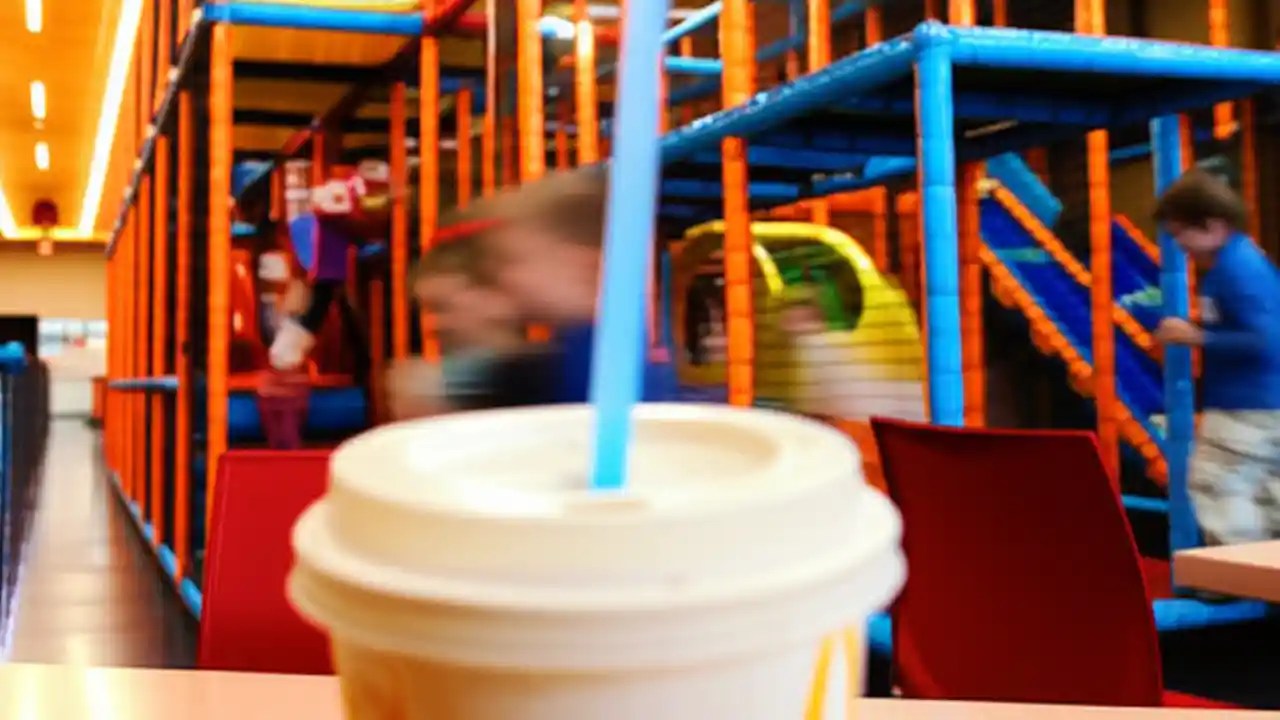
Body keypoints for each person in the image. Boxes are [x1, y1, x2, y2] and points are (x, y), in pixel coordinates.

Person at [1153, 168, 1280, 544]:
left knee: (1216, 484)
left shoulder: (1237, 269)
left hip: (1246, 405)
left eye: (1181, 233)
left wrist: (1196, 336)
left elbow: (1265, 338)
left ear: (1213, 225)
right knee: (1265, 492)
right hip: (1265, 402)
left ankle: (1239, 579)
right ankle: (1267, 581)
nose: (1179, 244)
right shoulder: (1242, 260)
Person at [477, 166, 678, 403]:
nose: (506, 277)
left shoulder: (607, 357)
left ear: (583, 267)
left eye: (516, 260)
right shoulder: (577, 340)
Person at [385, 238, 559, 420]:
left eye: (443, 307)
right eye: (428, 311)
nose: (432, 325)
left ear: (495, 300)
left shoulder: (556, 377)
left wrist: (444, 387)